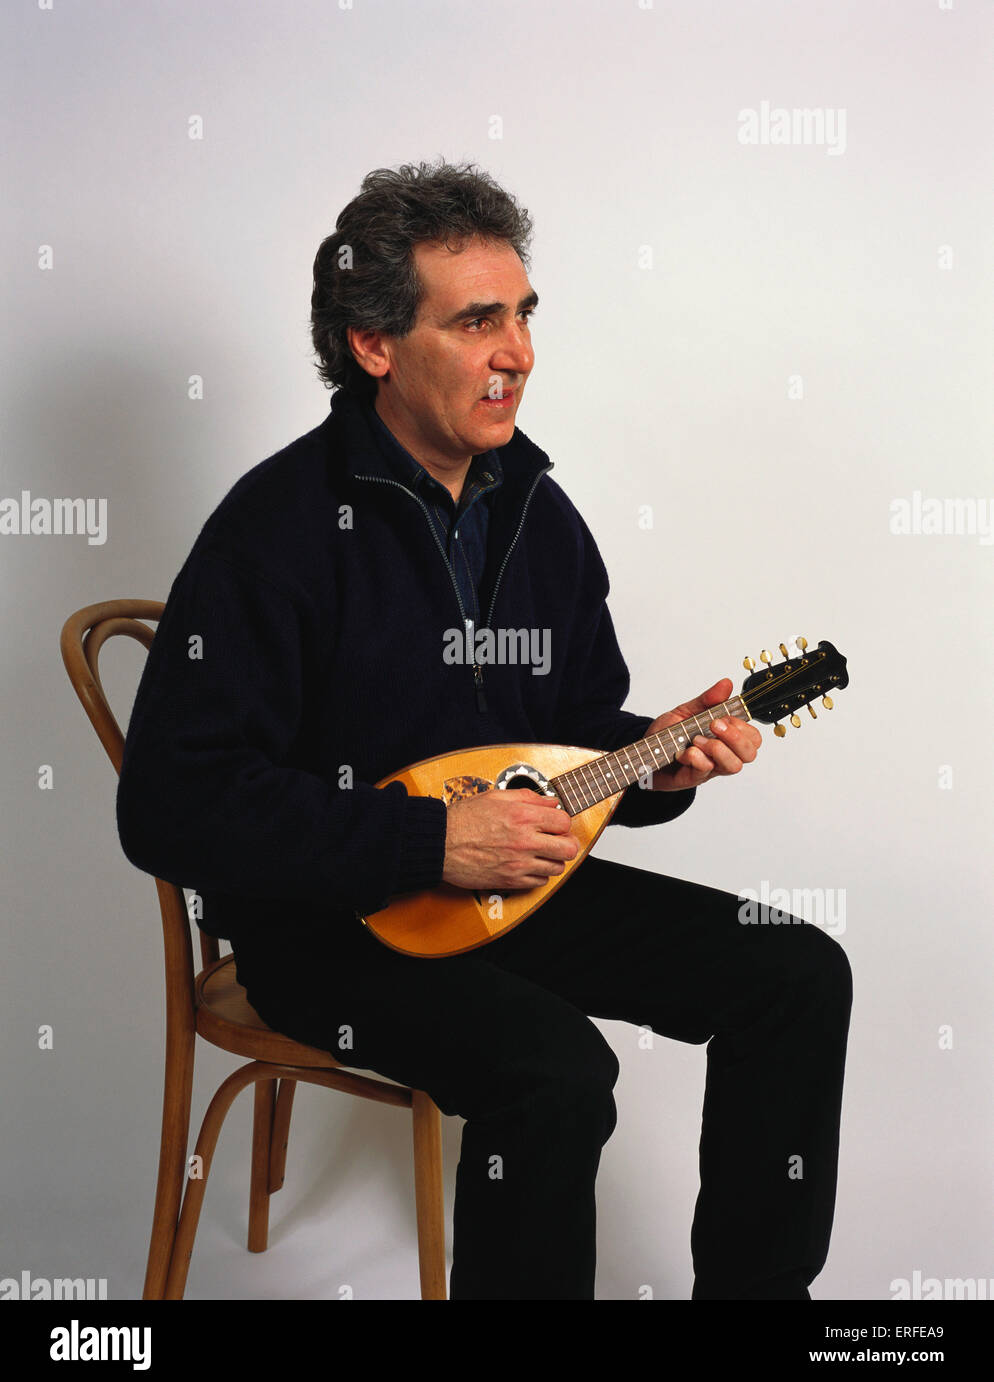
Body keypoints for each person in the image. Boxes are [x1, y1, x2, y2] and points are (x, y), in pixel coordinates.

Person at [117, 159, 852, 1301]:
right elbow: (171, 801)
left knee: (797, 972)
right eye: (475, 320)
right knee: (555, 1073)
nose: (516, 350)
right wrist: (427, 845)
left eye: (520, 314)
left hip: (513, 891)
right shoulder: (278, 528)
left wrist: (662, 757)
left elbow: (568, 733)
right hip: (328, 926)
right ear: (374, 345)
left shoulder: (534, 512)